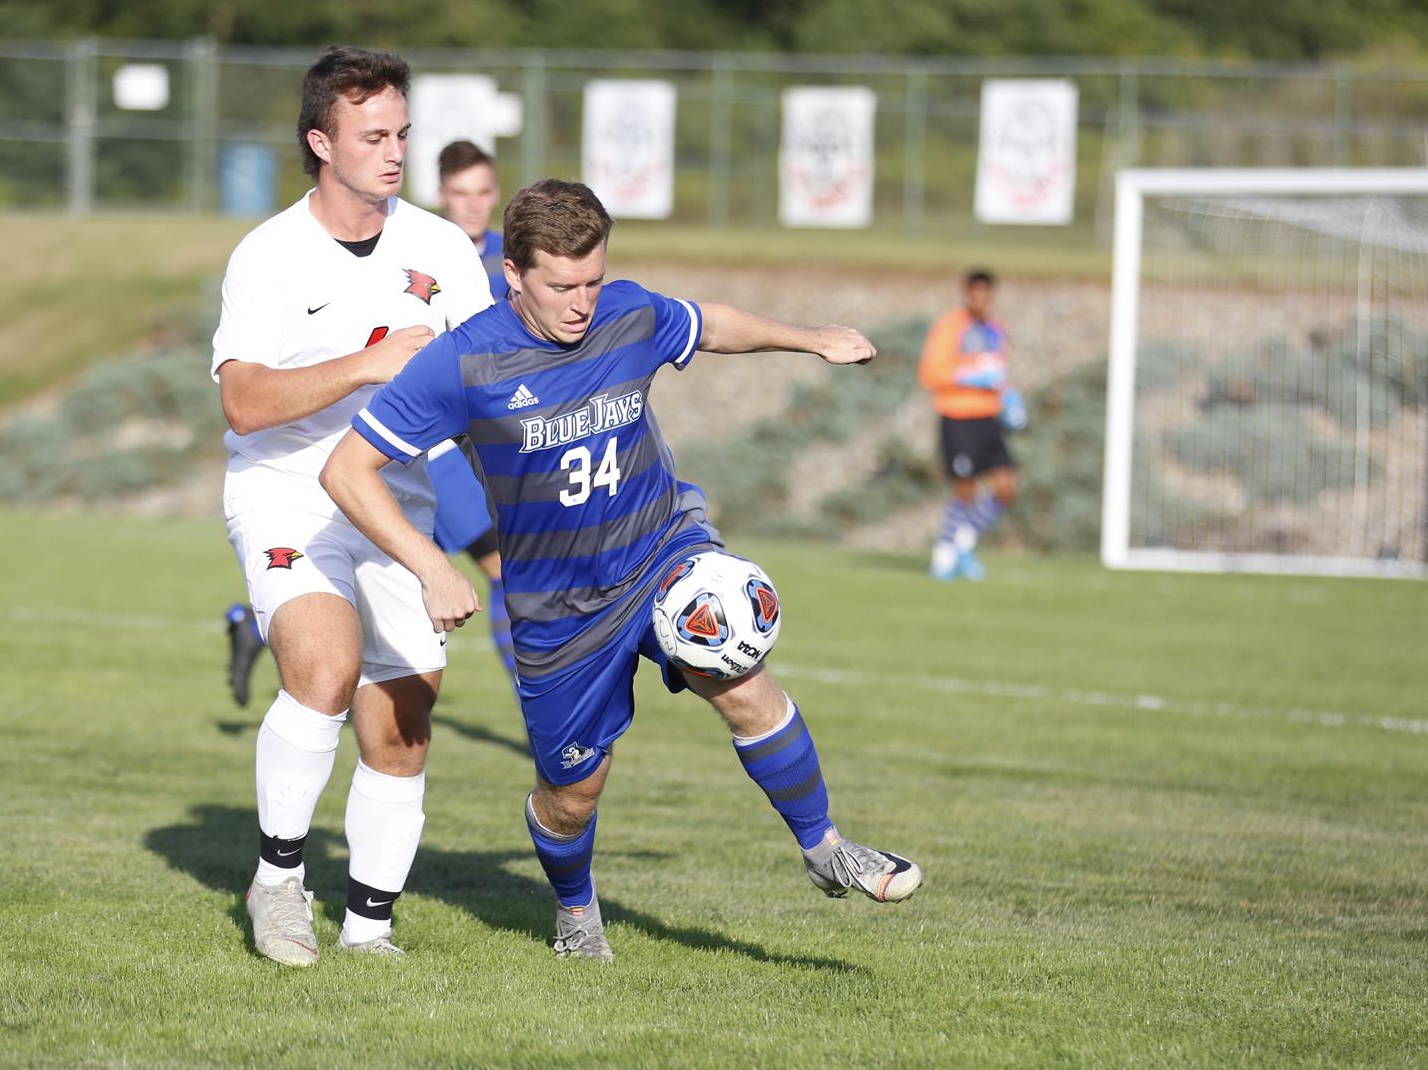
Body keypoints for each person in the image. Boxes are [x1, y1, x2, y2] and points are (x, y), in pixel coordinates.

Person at [322, 179, 923, 963]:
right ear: (513, 273)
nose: (582, 302)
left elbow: (709, 325)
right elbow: (347, 469)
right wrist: (432, 566)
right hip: (557, 607)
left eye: (593, 280)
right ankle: (575, 909)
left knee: (736, 664)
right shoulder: (463, 361)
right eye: (562, 285)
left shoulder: (627, 312)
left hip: (659, 550)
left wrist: (811, 337)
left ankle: (826, 846)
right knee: (573, 794)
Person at [211, 45, 492, 965]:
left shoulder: (443, 249)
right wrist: (370, 363)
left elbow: (487, 383)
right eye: (374, 135)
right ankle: (279, 880)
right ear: (320, 142)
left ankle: (370, 926)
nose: (396, 151)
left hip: (393, 502)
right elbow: (245, 400)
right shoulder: (268, 255)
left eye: (403, 133)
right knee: (325, 671)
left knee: (402, 721)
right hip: (287, 492)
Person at [425, 140, 515, 678]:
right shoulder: (421, 258)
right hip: (438, 445)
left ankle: (252, 627)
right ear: (441, 195)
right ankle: (542, 725)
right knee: (506, 569)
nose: (473, 204)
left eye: (482, 192)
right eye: (460, 193)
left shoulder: (516, 260)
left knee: (377, 578)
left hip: (492, 439)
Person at [916, 269, 1021, 581]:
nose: (980, 298)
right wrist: (968, 378)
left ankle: (960, 542)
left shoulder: (995, 329)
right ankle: (944, 555)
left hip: (988, 418)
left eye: (985, 292)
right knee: (965, 490)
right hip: (958, 417)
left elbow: (998, 370)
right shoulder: (950, 326)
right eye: (975, 292)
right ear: (966, 293)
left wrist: (1009, 397)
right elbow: (930, 373)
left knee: (1006, 488)